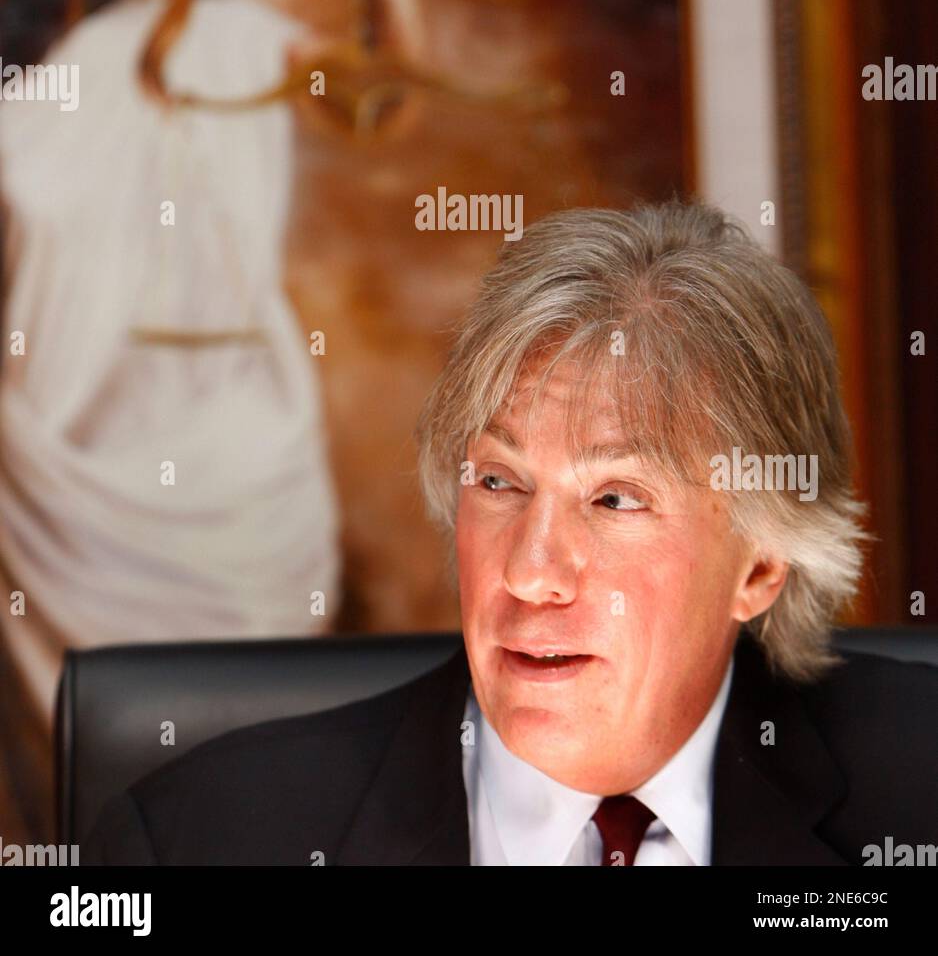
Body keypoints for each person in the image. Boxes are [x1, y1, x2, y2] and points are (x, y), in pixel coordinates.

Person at [80, 199, 938, 865]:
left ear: (760, 563)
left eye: (615, 500)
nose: (531, 575)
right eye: (499, 482)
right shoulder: (197, 841)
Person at [0, 0, 365, 769]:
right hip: (75, 446)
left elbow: (385, 96)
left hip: (248, 438)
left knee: (255, 759)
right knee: (113, 768)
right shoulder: (28, 78)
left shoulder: (242, 43)